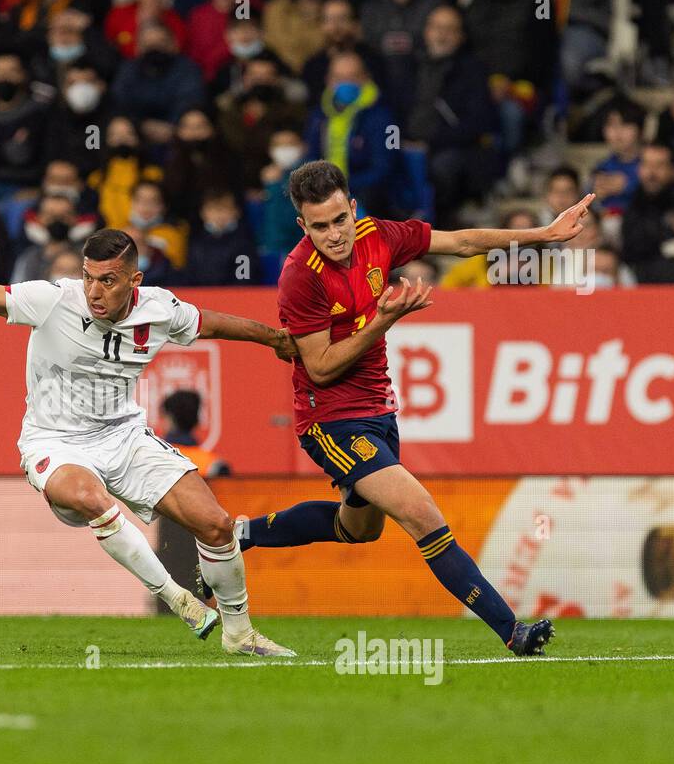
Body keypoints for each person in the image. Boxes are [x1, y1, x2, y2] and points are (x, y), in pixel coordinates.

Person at [0, 226, 298, 656]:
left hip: (124, 436)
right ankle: (177, 598)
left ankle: (240, 635)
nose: (96, 291)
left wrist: (274, 338)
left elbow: (214, 324)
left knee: (214, 525)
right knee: (90, 497)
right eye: (89, 277)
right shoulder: (54, 299)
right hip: (55, 441)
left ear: (134, 280)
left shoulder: (160, 308)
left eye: (110, 281)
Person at [238, 160, 595, 656]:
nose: (334, 235)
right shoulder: (300, 277)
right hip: (330, 420)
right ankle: (512, 631)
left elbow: (462, 242)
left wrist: (546, 234)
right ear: (303, 226)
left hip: (379, 410)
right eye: (319, 226)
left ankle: (242, 534)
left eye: (339, 219)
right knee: (423, 514)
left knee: (356, 528)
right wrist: (383, 321)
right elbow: (319, 367)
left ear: (353, 208)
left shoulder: (378, 236)